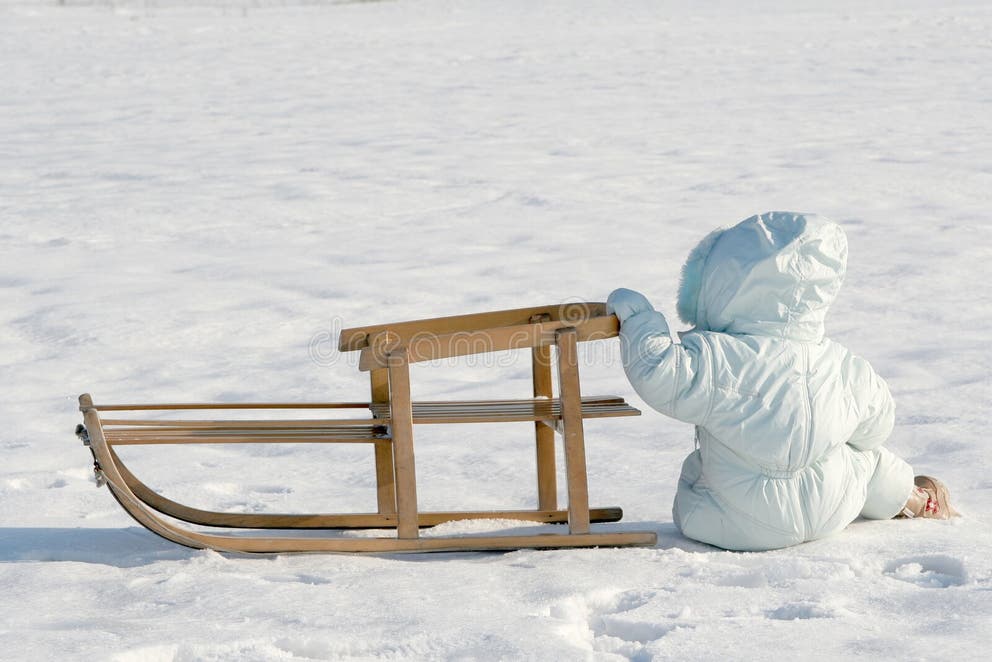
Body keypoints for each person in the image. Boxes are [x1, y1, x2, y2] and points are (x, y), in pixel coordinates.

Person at [607, 211, 958, 551]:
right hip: (831, 512)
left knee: (701, 483)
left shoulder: (715, 356)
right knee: (866, 458)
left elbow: (659, 370)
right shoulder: (844, 364)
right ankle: (910, 498)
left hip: (733, 522)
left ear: (720, 285)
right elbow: (876, 430)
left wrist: (639, 316)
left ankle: (896, 494)